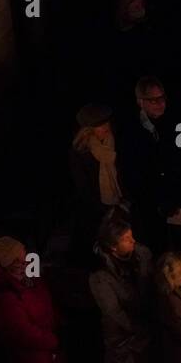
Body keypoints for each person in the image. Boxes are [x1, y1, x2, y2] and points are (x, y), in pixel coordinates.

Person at [119, 76, 181, 258]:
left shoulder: (178, 124)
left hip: (176, 196)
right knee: (155, 247)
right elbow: (132, 169)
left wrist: (177, 192)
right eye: (153, 100)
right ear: (140, 102)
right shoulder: (131, 130)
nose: (159, 104)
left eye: (161, 98)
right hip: (148, 201)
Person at [89, 215, 156, 363]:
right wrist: (138, 328)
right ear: (113, 248)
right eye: (127, 239)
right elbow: (113, 311)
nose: (133, 241)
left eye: (132, 236)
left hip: (146, 329)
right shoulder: (100, 277)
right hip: (124, 339)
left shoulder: (141, 255)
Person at [70, 104, 125, 258]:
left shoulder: (113, 143)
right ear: (89, 130)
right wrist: (98, 206)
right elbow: (82, 185)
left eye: (107, 123)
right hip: (93, 207)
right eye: (100, 125)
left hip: (115, 204)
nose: (106, 128)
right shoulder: (81, 151)